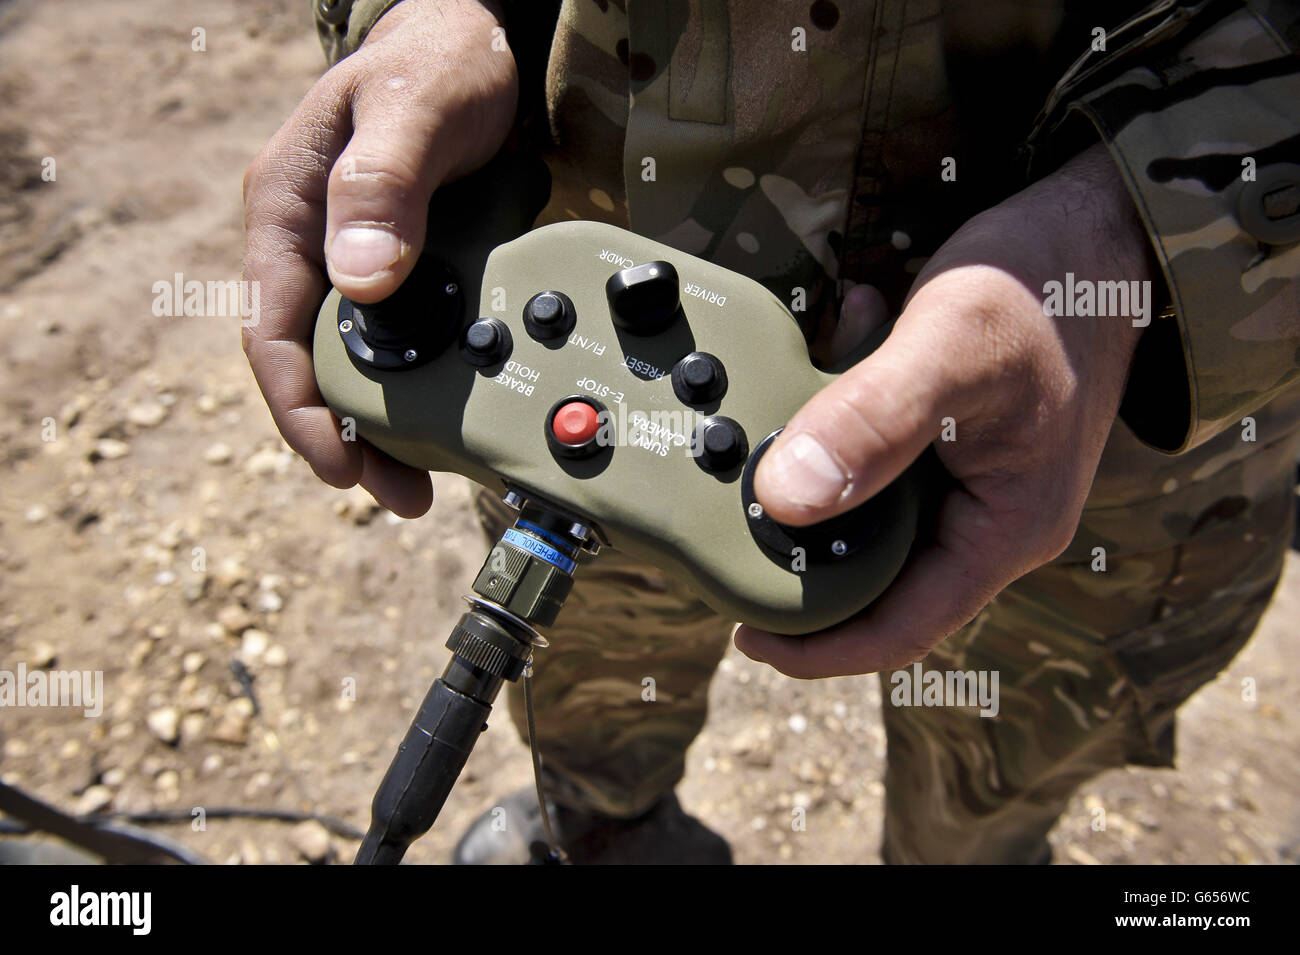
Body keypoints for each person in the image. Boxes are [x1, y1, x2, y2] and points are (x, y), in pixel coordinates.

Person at [242, 0, 1300, 863]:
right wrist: (432, 14)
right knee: (588, 675)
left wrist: (1133, 236)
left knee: (1002, 753)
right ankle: (607, 830)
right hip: (580, 215)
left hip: (1095, 378)